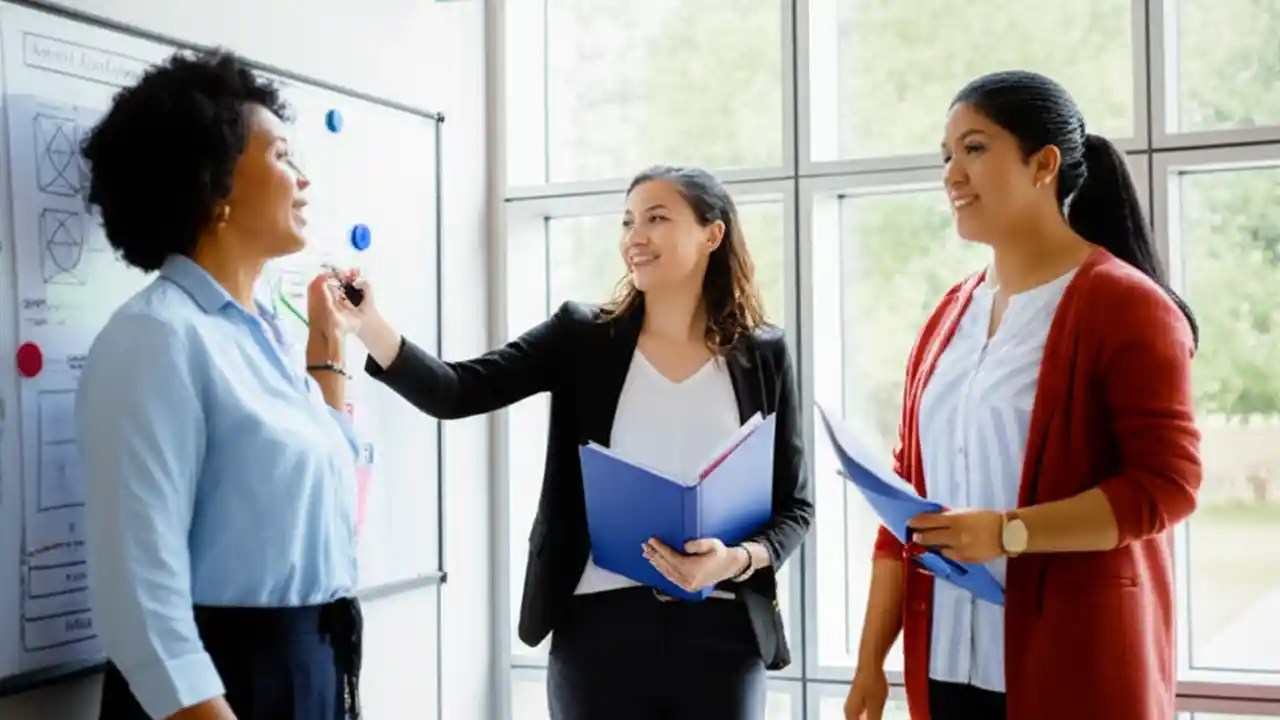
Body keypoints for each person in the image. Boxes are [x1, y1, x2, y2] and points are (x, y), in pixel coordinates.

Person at [322, 165, 811, 719]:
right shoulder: (582, 337)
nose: (635, 237)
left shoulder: (764, 356)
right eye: (628, 222)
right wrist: (369, 324)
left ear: (711, 235)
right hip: (600, 633)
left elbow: (795, 507)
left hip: (724, 634)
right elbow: (457, 391)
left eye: (656, 219)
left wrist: (735, 560)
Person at [843, 70, 1201, 720]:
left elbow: (1167, 485)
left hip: (1074, 669)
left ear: (1043, 164)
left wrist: (1011, 534)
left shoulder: (1128, 308)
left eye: (974, 149)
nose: (953, 173)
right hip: (947, 669)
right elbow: (903, 511)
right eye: (946, 155)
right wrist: (872, 661)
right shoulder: (948, 315)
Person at [77, 50, 365, 720]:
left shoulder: (262, 333)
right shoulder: (155, 339)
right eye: (283, 156)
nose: (304, 179)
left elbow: (308, 491)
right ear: (214, 185)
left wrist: (328, 343)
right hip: (221, 687)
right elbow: (140, 607)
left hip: (310, 668)